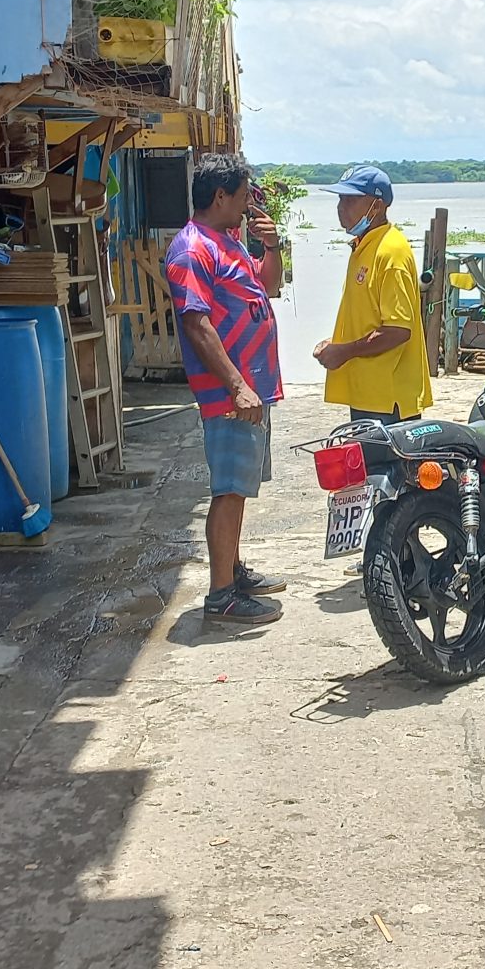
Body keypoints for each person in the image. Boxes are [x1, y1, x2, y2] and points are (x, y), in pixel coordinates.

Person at [164, 153, 289, 627]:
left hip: (252, 390)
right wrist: (236, 385)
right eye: (241, 196)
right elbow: (195, 323)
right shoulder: (192, 249)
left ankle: (231, 569)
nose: (246, 205)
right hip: (230, 396)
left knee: (241, 489)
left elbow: (267, 287)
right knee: (229, 491)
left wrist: (272, 247)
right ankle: (221, 594)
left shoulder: (228, 241)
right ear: (220, 196)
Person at [314, 165, 432, 423]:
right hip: (368, 392)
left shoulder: (391, 252)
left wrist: (344, 351)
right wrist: (336, 343)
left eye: (350, 200)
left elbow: (398, 330)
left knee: (389, 464)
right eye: (339, 199)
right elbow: (368, 316)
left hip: (389, 397)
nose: (340, 208)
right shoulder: (363, 246)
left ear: (376, 206)